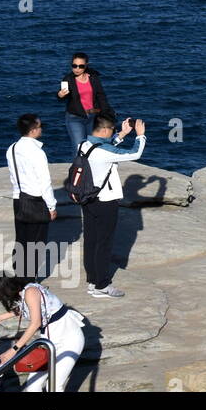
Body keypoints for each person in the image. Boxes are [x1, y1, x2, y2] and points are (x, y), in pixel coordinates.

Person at [79, 114, 147, 298]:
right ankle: (102, 286)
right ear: (104, 130)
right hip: (105, 202)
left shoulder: (84, 145)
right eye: (111, 130)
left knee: (91, 241)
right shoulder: (103, 152)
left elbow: (105, 147)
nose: (112, 133)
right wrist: (140, 135)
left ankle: (93, 281)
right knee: (104, 243)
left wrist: (122, 134)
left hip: (88, 199)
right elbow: (135, 153)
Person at [0, 272, 86, 392]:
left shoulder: (31, 292)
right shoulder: (23, 292)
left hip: (69, 340)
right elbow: (23, 309)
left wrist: (14, 350)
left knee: (54, 387)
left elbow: (35, 323)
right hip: (51, 342)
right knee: (32, 386)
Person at [7, 114, 56, 279]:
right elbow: (45, 182)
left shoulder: (12, 148)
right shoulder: (36, 152)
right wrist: (52, 206)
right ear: (34, 130)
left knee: (21, 241)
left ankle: (20, 278)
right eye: (40, 126)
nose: (42, 129)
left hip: (18, 199)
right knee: (36, 245)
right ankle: (29, 284)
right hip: (36, 201)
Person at [57, 52, 113, 153]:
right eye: (74, 66)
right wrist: (60, 95)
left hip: (93, 117)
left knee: (94, 147)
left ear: (86, 65)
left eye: (81, 66)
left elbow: (101, 96)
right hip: (75, 118)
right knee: (79, 147)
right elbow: (63, 97)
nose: (77, 69)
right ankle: (77, 169)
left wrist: (106, 114)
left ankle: (90, 168)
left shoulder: (93, 78)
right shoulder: (68, 79)